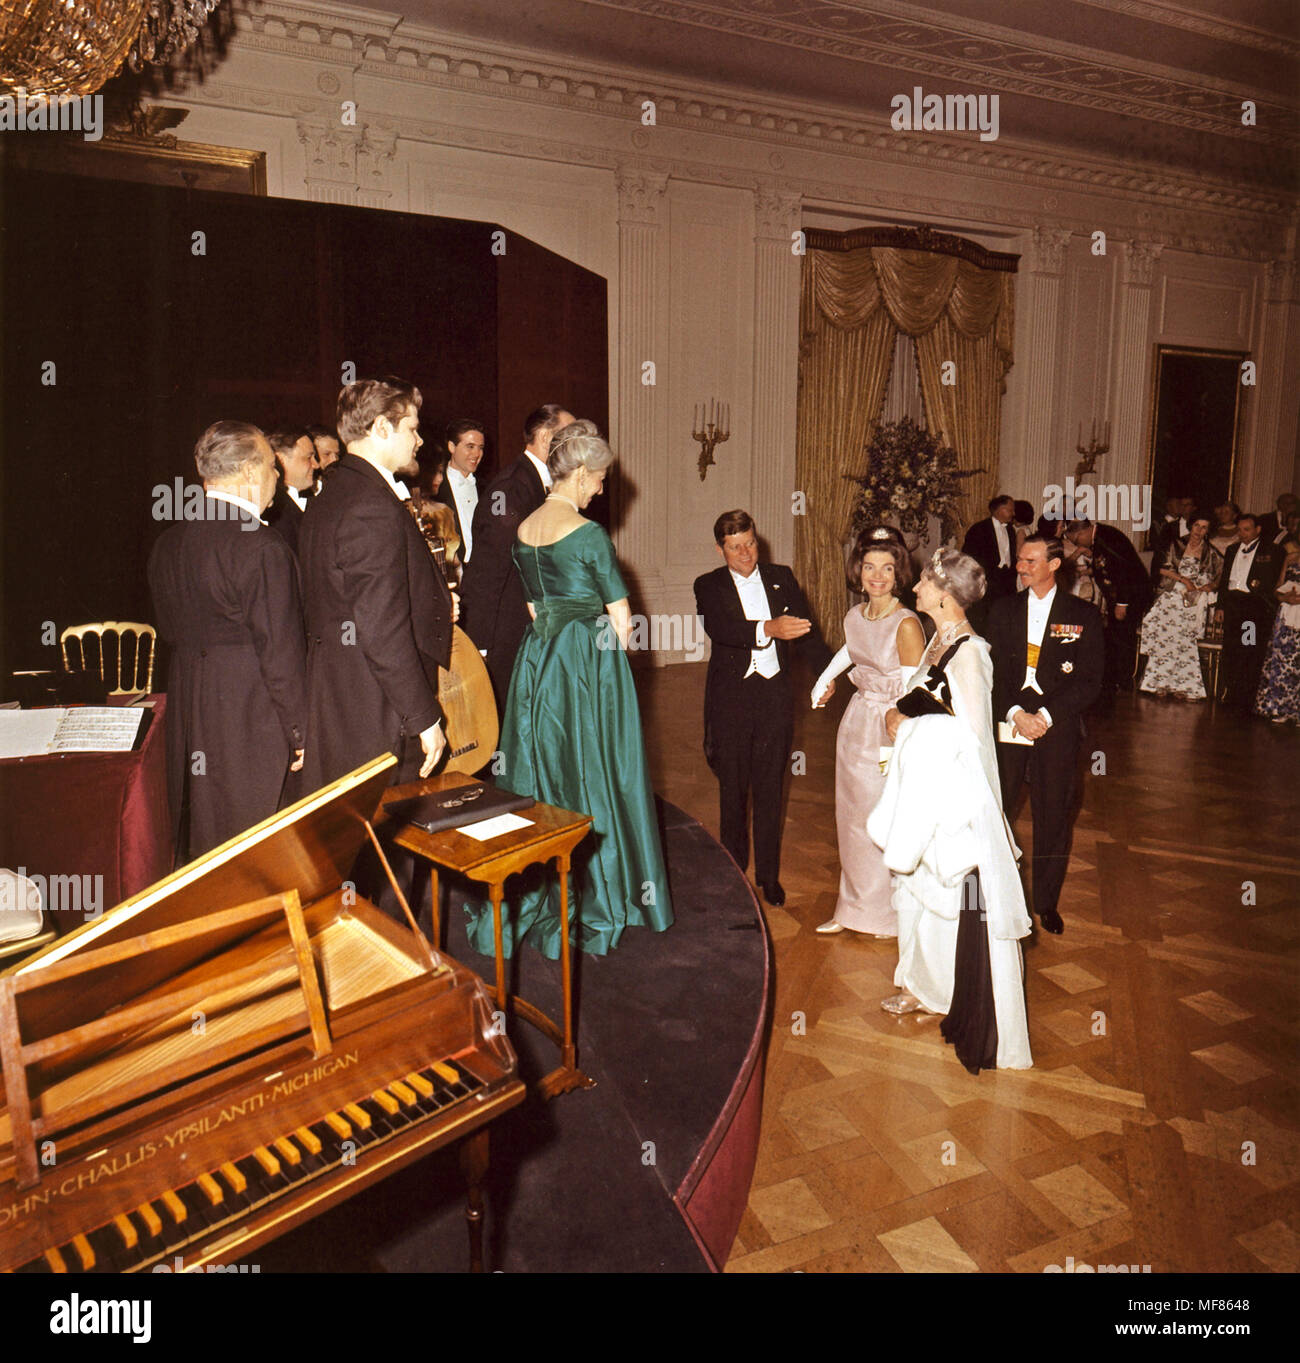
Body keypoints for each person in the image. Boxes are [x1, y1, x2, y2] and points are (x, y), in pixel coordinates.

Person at [463, 420, 673, 959]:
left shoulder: (525, 529)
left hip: (538, 658)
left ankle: (535, 893)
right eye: (599, 480)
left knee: (538, 767)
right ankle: (601, 899)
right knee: (598, 767)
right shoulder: (588, 535)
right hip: (588, 658)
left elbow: (534, 608)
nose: (602, 490)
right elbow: (622, 619)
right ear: (579, 474)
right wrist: (615, 678)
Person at [867, 549, 1033, 1073]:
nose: (914, 588)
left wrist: (910, 725)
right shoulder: (939, 639)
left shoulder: (972, 652)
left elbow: (975, 735)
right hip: (923, 786)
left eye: (922, 583)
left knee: (948, 894)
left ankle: (949, 993)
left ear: (944, 594)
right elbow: (926, 697)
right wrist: (900, 716)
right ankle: (921, 984)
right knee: (918, 889)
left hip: (951, 795)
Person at [148, 421, 305, 863]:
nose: (280, 477)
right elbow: (281, 653)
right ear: (252, 474)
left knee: (200, 850)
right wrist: (300, 730)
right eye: (275, 466)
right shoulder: (262, 547)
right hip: (249, 718)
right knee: (258, 854)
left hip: (188, 714)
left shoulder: (167, 544)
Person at [298, 376, 453, 795]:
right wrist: (423, 717)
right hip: (377, 707)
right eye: (412, 429)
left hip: (341, 695)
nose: (419, 440)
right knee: (385, 846)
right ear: (381, 428)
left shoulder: (329, 495)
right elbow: (381, 628)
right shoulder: (371, 505)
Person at [695, 509, 832, 907]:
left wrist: (826, 676)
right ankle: (735, 876)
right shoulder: (708, 585)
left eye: (750, 543)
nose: (746, 553)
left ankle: (769, 877)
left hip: (774, 697)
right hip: (731, 701)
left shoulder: (782, 577)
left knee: (771, 789)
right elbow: (720, 628)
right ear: (721, 549)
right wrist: (769, 628)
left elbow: (807, 633)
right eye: (736, 547)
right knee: (733, 791)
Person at [986, 535, 1104, 936]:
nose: (1021, 567)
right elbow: (992, 674)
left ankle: (1046, 903)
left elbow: (1090, 681)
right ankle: (993, 892)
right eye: (1019, 560)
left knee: (1053, 814)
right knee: (997, 806)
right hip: (1010, 721)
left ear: (1054, 565)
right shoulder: (1001, 611)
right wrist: (1017, 713)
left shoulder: (1083, 614)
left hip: (1057, 725)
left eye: (1030, 561)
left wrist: (1047, 716)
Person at [810, 527, 925, 936]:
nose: (877, 576)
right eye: (870, 567)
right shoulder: (855, 615)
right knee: (851, 818)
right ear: (858, 572)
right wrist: (823, 678)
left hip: (889, 727)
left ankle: (887, 915)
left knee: (883, 819)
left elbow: (916, 690)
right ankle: (852, 909)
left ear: (899, 574)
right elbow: (852, 648)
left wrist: (898, 727)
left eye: (887, 568)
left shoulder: (907, 623)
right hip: (856, 723)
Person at [460, 403, 573, 706]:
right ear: (548, 437)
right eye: (570, 436)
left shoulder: (540, 484)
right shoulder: (512, 488)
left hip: (528, 629)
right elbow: (487, 570)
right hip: (506, 635)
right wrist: (480, 645)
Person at [1139, 512, 1222, 701]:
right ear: (1190, 526)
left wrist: (1207, 587)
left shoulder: (1211, 552)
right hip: (1171, 597)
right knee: (1165, 640)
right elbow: (1160, 568)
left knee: (1185, 643)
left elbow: (1219, 578)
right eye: (1196, 526)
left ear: (1208, 531)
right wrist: (1184, 580)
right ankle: (1158, 684)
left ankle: (1183, 686)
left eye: (1204, 528)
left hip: (1192, 601)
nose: (1199, 531)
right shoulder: (1175, 544)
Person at [1065, 519, 1150, 696]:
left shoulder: (1108, 538)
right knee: (1115, 635)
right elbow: (1106, 566)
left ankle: (1122, 681)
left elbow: (1125, 570)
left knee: (1123, 636)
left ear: (1082, 533)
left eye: (1076, 541)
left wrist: (1122, 603)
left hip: (1129, 595)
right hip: (1120, 595)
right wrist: (1087, 572)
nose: (1077, 545)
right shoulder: (1101, 536)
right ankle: (1114, 680)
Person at [1219, 514, 1282, 712]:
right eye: (1240, 530)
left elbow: (1273, 581)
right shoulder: (1231, 550)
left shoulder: (1271, 551)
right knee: (1231, 648)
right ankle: (1230, 691)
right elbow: (1224, 580)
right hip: (1233, 605)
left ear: (1258, 529)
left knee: (1249, 648)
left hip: (1251, 608)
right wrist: (1221, 606)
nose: (1242, 534)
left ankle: (1245, 697)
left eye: (1247, 529)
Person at [1254, 533, 1300, 724]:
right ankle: (1279, 708)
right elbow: (1277, 588)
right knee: (1283, 663)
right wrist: (1285, 598)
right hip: (1288, 615)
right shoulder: (1291, 558)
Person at [962, 494, 1018, 629]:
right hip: (988, 580)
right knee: (985, 619)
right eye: (1010, 510)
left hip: (1006, 581)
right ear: (999, 510)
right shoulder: (979, 529)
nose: (1013, 513)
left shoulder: (1010, 530)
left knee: (1005, 618)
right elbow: (970, 556)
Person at [264, 426, 318, 555]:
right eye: (308, 457)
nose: (316, 465)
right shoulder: (269, 513)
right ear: (280, 460)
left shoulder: (317, 502)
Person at [437, 419, 485, 564]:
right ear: (452, 446)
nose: (477, 454)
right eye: (470, 446)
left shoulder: (490, 488)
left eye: (480, 447)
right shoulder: (435, 490)